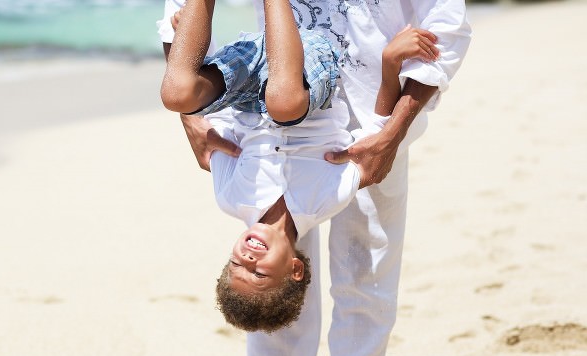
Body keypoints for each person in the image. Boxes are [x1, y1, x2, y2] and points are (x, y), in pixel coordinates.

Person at [158, 0, 471, 356]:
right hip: (278, 84)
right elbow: (177, 26)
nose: (246, 254)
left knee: (364, 292)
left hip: (372, 114)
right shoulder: (257, 213)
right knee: (271, 308)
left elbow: (447, 24)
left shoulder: (240, 195)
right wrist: (191, 116)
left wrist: (393, 127)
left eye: (237, 259)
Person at [161, 0, 439, 332]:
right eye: (260, 273)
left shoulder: (231, 197)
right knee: (284, 104)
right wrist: (390, 62)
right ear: (295, 269)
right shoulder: (325, 200)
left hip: (251, 71)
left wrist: (190, 40)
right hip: (307, 65)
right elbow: (374, 137)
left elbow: (216, 126)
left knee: (177, 95)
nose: (249, 260)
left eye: (237, 265)